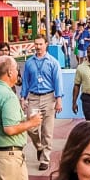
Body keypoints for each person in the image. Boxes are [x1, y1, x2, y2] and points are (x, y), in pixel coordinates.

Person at [21, 35, 62, 172]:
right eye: (36, 44)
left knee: (47, 131)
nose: (38, 47)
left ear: (46, 44)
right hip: (33, 98)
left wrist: (59, 99)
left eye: (40, 44)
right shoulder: (29, 63)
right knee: (31, 128)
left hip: (48, 98)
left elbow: (58, 81)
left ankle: (45, 159)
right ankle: (39, 146)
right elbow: (26, 81)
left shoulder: (53, 62)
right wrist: (23, 97)